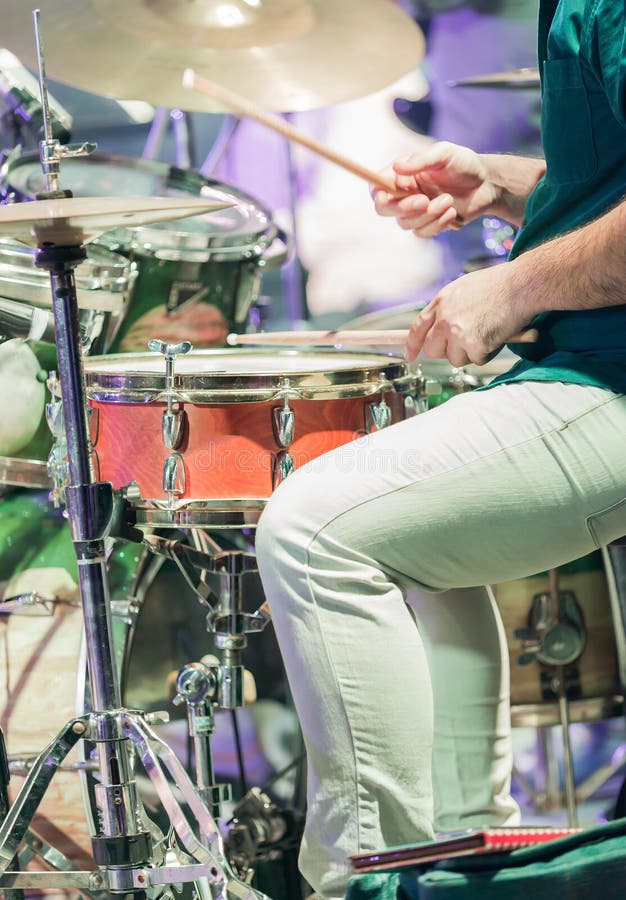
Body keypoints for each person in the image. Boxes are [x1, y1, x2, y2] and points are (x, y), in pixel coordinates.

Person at [254, 1, 626, 898]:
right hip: (590, 362)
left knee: (316, 530)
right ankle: (459, 861)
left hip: (613, 381)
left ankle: (366, 883)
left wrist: (519, 284)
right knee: (411, 540)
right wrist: (496, 186)